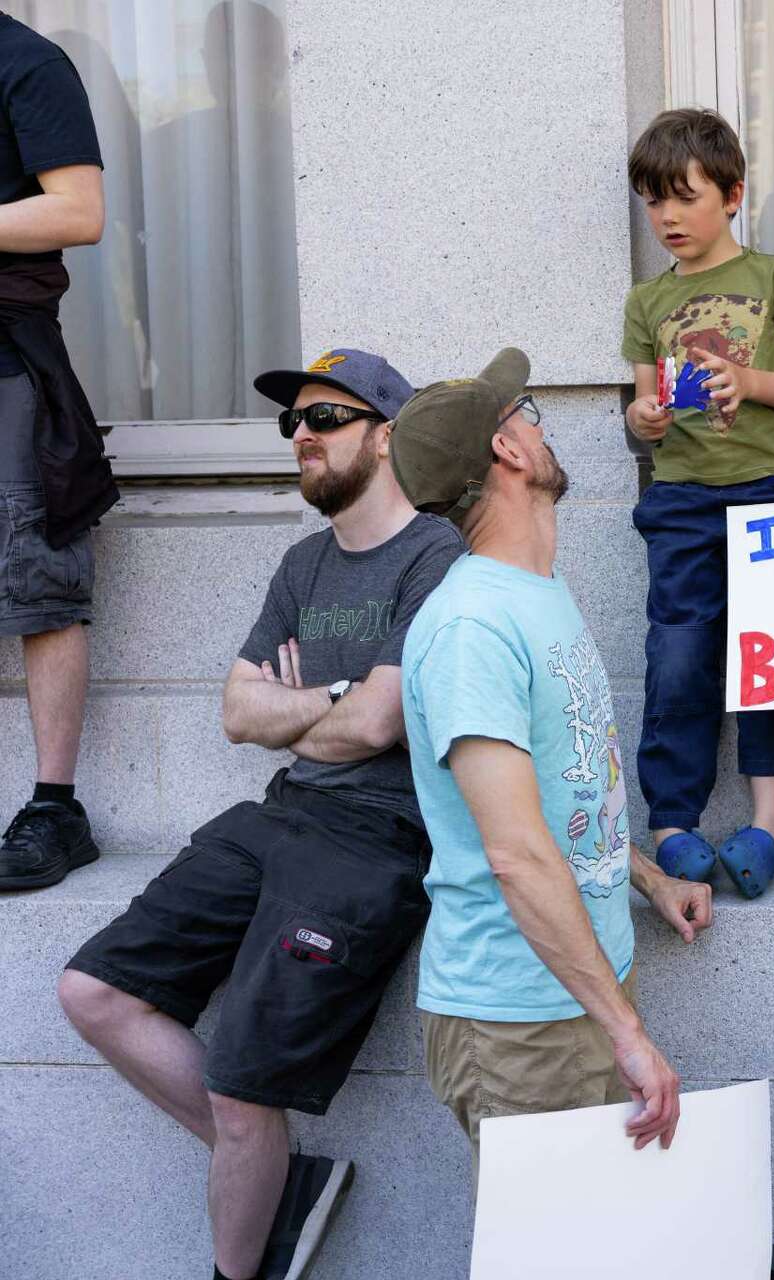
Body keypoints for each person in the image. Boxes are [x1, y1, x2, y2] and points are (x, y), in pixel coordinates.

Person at [57, 349, 462, 1280]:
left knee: (244, 1094)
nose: (301, 440)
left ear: (385, 434)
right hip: (279, 816)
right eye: (293, 425)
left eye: (325, 421)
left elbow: (381, 722)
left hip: (376, 842)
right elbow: (240, 713)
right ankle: (280, 1170)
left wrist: (314, 705)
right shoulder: (301, 563)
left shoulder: (436, 556)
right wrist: (337, 700)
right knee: (92, 992)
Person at [388, 347, 712, 1172]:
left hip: (576, 993)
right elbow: (516, 855)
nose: (538, 423)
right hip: (517, 1022)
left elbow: (565, 796)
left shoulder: (533, 592)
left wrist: (646, 876)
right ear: (509, 451)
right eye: (524, 410)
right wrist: (628, 1033)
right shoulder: (472, 629)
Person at [621, 107, 774, 896]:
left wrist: (747, 380)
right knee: (677, 658)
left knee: (767, 660)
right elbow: (642, 413)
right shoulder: (646, 302)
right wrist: (643, 417)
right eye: (653, 200)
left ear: (733, 194)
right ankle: (673, 821)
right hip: (682, 502)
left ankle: (766, 823)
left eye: (685, 196)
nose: (667, 216)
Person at [0, 13, 118, 891]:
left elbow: (80, 210)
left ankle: (55, 806)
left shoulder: (28, 62)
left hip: (7, 362)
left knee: (41, 584)